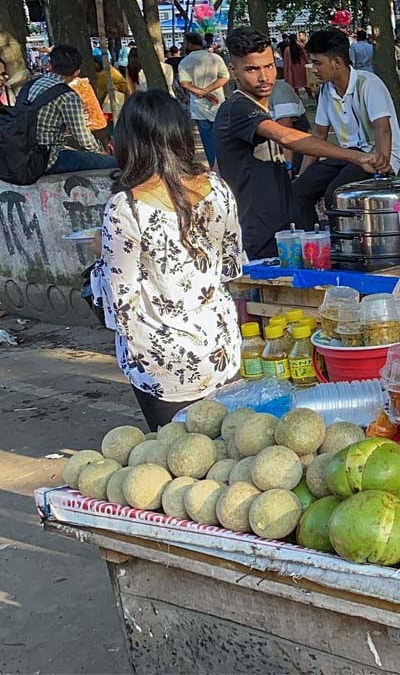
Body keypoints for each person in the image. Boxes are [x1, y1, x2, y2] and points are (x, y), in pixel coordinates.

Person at [90, 90, 243, 430]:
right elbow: (231, 265)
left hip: (163, 363)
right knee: (229, 452)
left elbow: (119, 305)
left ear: (130, 142)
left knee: (177, 460)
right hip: (220, 347)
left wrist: (101, 254)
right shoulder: (217, 188)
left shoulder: (125, 208)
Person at [215, 27, 383, 259]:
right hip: (258, 232)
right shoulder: (237, 108)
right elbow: (287, 137)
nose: (264, 77)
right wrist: (357, 156)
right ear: (233, 71)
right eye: (252, 69)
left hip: (281, 227)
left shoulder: (257, 107)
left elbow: (217, 166)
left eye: (269, 66)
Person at [294, 28, 400, 221]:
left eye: (318, 63)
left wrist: (382, 162)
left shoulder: (368, 83)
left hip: (375, 155)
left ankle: (342, 245)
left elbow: (382, 127)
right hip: (349, 154)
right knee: (299, 190)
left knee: (336, 195)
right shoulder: (326, 91)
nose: (314, 69)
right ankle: (312, 243)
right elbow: (319, 135)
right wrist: (303, 175)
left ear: (337, 62)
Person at [25, 45, 118, 175]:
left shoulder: (30, 85)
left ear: (50, 65)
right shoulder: (68, 95)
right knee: (112, 163)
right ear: (77, 72)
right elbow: (82, 135)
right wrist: (100, 152)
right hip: (49, 158)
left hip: (24, 151)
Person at [178, 32, 230, 167]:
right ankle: (226, 165)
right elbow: (224, 77)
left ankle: (214, 166)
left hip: (198, 106)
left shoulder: (185, 62)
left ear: (189, 44)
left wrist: (202, 92)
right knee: (222, 138)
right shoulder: (215, 58)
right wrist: (208, 91)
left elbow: (185, 83)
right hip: (218, 103)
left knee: (207, 140)